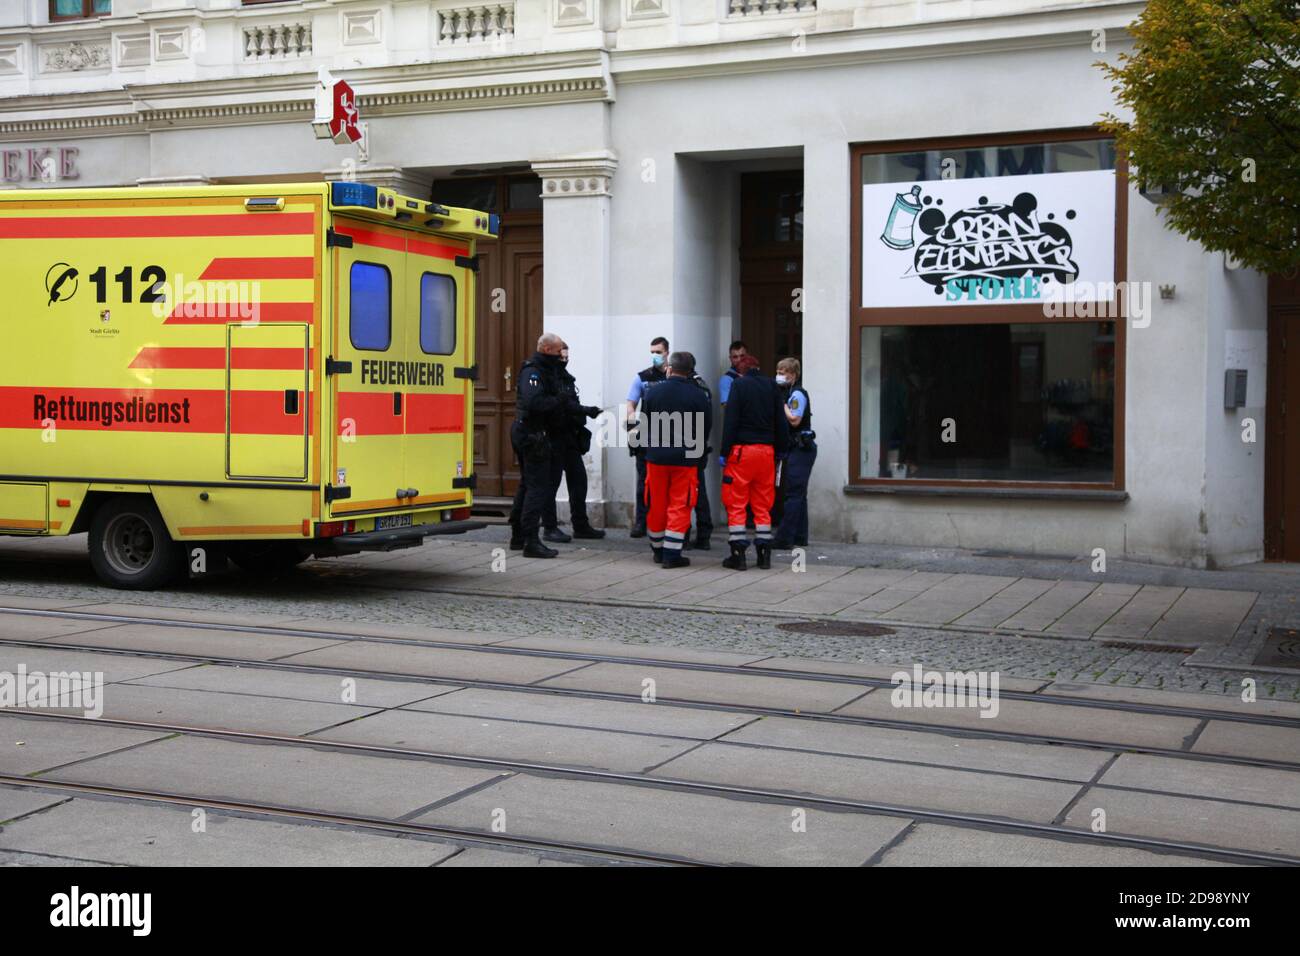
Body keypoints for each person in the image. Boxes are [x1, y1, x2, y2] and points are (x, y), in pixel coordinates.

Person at [510, 333, 600, 558]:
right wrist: (559, 401)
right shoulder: (533, 371)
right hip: (532, 435)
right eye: (560, 350)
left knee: (529, 485)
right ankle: (530, 539)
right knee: (537, 487)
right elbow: (535, 403)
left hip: (538, 433)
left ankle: (519, 536)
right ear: (548, 349)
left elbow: (562, 401)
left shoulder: (549, 371)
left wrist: (585, 410)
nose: (563, 355)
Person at [640, 351, 712, 569]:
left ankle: (658, 549)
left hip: (657, 456)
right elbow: (705, 428)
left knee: (657, 502)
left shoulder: (653, 392)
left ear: (669, 368)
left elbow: (645, 423)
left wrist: (647, 450)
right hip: (685, 458)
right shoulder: (698, 395)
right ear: (690, 371)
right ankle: (672, 554)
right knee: (680, 504)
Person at [718, 354, 787, 570]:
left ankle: (738, 555)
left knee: (736, 502)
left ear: (740, 370)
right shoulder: (771, 386)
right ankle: (764, 554)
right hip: (766, 452)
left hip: (742, 452)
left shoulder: (738, 385)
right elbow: (781, 420)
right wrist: (782, 449)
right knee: (763, 504)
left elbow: (731, 420)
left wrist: (724, 451)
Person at [542, 342, 606, 542]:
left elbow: (570, 403)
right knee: (550, 483)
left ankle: (580, 525)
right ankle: (549, 527)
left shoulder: (565, 377)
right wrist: (587, 410)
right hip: (553, 435)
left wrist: (585, 412)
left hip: (569, 435)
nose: (565, 361)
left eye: (567, 358)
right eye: (562, 357)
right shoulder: (548, 377)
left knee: (578, 480)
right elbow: (563, 404)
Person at [625, 336, 670, 538]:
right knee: (643, 480)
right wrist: (631, 421)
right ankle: (641, 521)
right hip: (646, 434)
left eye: (658, 352)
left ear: (667, 352)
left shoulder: (675, 375)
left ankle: (668, 521)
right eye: (652, 352)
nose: (655, 356)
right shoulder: (642, 377)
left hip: (671, 434)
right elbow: (630, 404)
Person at [772, 357, 816, 550]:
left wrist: (781, 403)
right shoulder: (790, 392)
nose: (780, 376)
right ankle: (800, 536)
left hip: (801, 448)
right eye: (778, 372)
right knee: (799, 495)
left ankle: (784, 537)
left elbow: (795, 420)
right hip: (797, 448)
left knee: (793, 494)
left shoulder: (797, 394)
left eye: (784, 373)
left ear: (794, 375)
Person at [683, 367, 714, 551]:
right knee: (699, 489)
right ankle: (704, 534)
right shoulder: (702, 386)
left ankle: (685, 534)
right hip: (698, 444)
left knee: (686, 493)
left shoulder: (689, 387)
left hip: (686, 444)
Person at [718, 340, 749, 409]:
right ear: (730, 359)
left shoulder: (754, 374)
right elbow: (727, 407)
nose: (739, 360)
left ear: (747, 356)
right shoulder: (726, 379)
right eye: (735, 357)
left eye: (742, 356)